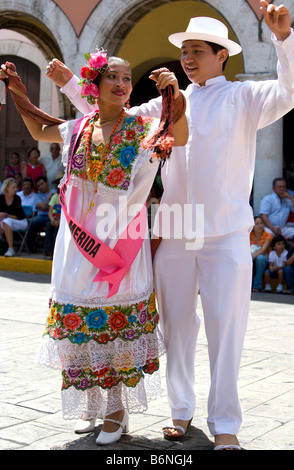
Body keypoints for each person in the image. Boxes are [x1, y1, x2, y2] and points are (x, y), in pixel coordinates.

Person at [45, 1, 294, 450]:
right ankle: (180, 413)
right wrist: (69, 83)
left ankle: (225, 425)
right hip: (176, 234)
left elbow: (291, 89)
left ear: (222, 55)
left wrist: (283, 38)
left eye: (197, 50)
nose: (187, 57)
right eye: (185, 50)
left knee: (227, 333)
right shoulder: (163, 105)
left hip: (225, 236)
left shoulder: (244, 97)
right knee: (177, 329)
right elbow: (110, 115)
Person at [0, 51, 187, 445]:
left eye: (126, 79)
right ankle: (91, 405)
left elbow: (180, 134)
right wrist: (15, 89)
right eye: (113, 78)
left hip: (119, 246)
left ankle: (117, 412)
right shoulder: (78, 127)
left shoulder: (143, 128)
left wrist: (174, 94)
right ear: (95, 87)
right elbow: (38, 128)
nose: (122, 84)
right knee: (79, 326)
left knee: (114, 328)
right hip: (77, 243)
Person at [24, 176, 54, 253]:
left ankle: (48, 249)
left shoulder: (55, 191)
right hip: (42, 216)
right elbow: (43, 208)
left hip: (53, 216)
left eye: (41, 184)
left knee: (49, 224)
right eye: (38, 186)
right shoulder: (36, 195)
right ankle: (29, 246)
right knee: (32, 222)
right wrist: (51, 199)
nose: (40, 187)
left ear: (47, 182)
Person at [0, 177, 27, 257]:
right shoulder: (1, 198)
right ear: (7, 188)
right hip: (6, 222)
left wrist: (5, 215)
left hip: (20, 221)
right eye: (13, 187)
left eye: (16, 187)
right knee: (5, 221)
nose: (16, 189)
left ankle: (11, 248)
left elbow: (17, 217)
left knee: (6, 221)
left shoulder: (17, 199)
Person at [250, 215, 273, 292]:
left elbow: (264, 250)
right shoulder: (249, 235)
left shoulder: (268, 235)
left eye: (261, 223)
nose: (260, 226)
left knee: (260, 258)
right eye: (257, 224)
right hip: (251, 256)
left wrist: (252, 257)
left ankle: (257, 285)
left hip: (264, 259)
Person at [43, 173, 62, 260]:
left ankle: (57, 251)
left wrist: (60, 221)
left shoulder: (67, 196)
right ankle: (48, 250)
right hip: (54, 220)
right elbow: (50, 211)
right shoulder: (55, 197)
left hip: (62, 222)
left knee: (58, 230)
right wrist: (52, 220)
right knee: (48, 225)